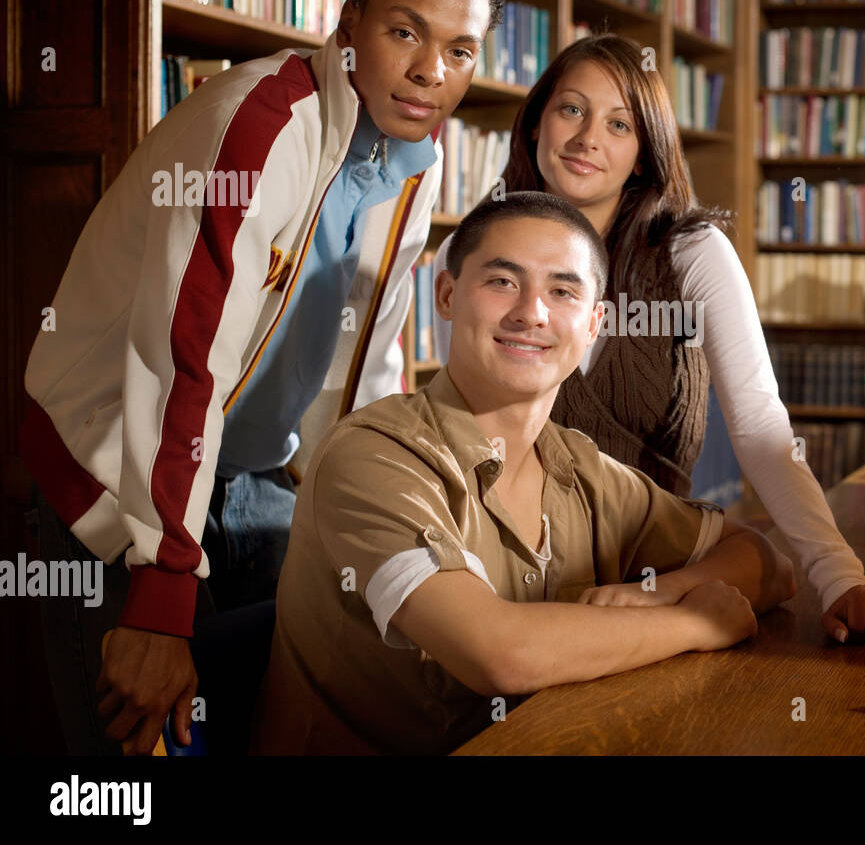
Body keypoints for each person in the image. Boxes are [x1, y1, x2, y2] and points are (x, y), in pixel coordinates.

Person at [19, 0, 501, 755]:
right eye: (404, 32)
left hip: (253, 477)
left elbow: (367, 362)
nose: (432, 71)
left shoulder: (417, 160)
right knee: (139, 767)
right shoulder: (260, 124)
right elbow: (182, 361)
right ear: (349, 26)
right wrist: (162, 594)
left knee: (292, 723)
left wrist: (371, 504)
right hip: (113, 473)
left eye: (460, 50)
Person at [253, 192, 797, 754]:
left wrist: (670, 594)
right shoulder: (373, 456)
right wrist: (696, 625)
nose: (531, 313)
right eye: (502, 282)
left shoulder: (579, 466)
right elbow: (499, 655)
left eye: (562, 291)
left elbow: (768, 565)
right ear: (445, 295)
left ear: (593, 324)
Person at [432, 34, 865, 643]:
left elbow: (759, 423)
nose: (587, 138)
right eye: (571, 109)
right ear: (535, 124)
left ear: (646, 152)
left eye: (619, 124)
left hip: (657, 560)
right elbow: (458, 417)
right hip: (508, 569)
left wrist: (839, 575)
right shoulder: (474, 251)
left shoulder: (690, 252)